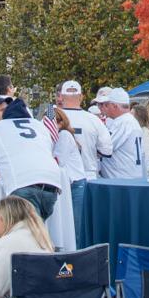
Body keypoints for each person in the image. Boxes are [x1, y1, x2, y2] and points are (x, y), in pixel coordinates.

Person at [0, 101, 63, 220]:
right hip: (52, 182)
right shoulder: (38, 125)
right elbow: (48, 150)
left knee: (25, 233)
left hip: (22, 183)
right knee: (37, 230)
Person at [53, 80, 111, 217]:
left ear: (61, 96)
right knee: (86, 224)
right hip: (88, 175)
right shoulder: (93, 119)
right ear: (81, 96)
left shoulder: (52, 119)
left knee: (62, 225)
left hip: (61, 178)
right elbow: (106, 150)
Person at [99, 88, 146, 179]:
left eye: (108, 105)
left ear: (114, 106)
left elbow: (104, 148)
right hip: (130, 175)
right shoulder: (129, 120)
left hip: (122, 179)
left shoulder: (122, 122)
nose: (106, 108)